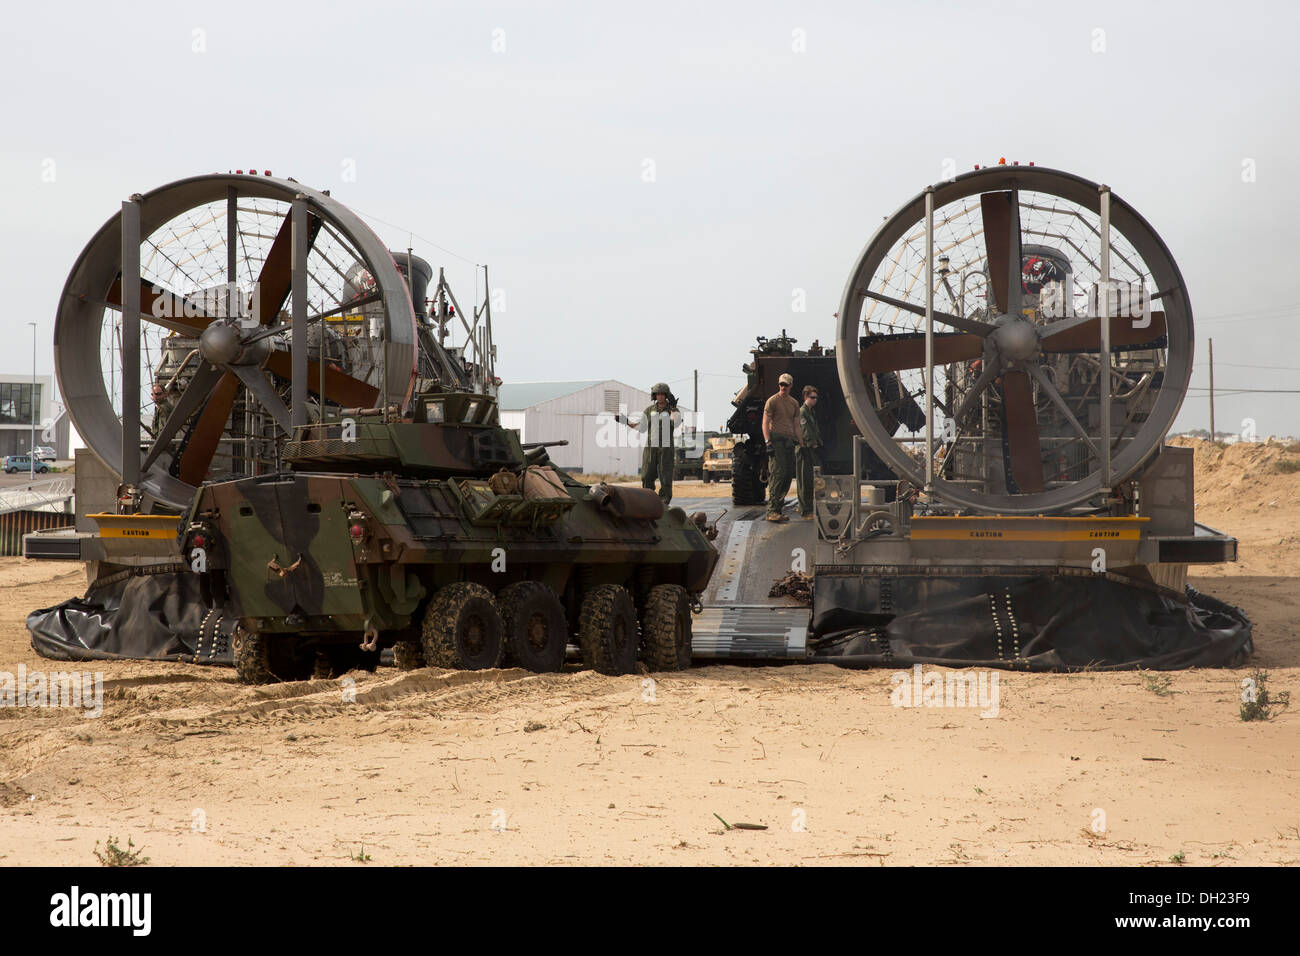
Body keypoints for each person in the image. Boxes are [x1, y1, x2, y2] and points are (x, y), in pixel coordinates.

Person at [617, 383, 681, 505]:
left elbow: (676, 422)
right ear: (654, 396)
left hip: (666, 448)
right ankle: (648, 500)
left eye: (663, 394)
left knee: (666, 477)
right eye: (658, 394)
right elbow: (641, 427)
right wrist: (625, 421)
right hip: (651, 447)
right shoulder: (649, 410)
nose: (660, 397)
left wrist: (673, 408)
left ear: (666, 395)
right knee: (646, 475)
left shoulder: (673, 410)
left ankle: (664, 502)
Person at [762, 372, 800, 522]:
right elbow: (765, 422)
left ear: (791, 386)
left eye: (786, 384)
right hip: (776, 441)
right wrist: (767, 442)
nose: (783, 387)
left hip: (789, 441)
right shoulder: (772, 401)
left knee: (787, 475)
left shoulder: (794, 403)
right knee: (777, 474)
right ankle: (772, 511)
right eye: (781, 384)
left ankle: (777, 509)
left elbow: (796, 424)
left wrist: (800, 440)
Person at [796, 385, 822, 519]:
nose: (815, 400)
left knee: (812, 479)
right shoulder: (802, 412)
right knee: (804, 480)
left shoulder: (811, 411)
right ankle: (805, 510)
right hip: (804, 449)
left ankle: (807, 507)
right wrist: (811, 444)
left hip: (811, 449)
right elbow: (804, 431)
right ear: (806, 397)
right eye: (812, 397)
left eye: (816, 397)